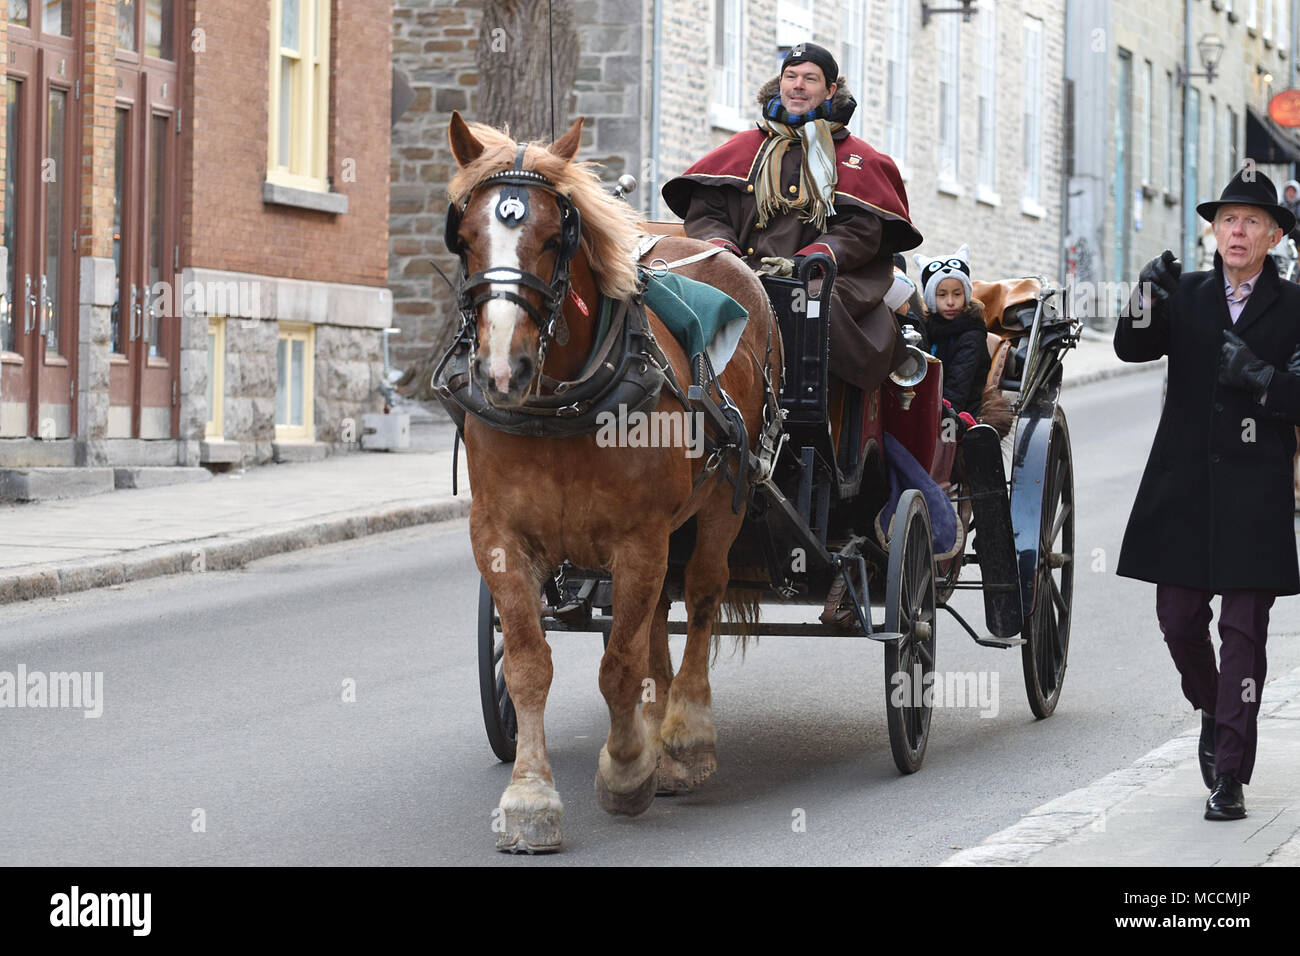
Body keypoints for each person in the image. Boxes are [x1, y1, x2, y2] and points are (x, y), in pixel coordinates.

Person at [1114, 168, 1300, 821]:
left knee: (1244, 632)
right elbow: (1130, 346)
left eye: (1252, 220)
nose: (1238, 230)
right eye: (1227, 220)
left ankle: (1230, 774)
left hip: (1257, 495)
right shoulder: (1187, 294)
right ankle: (1214, 706)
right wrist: (1143, 294)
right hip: (1185, 486)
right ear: (1214, 231)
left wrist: (1262, 380)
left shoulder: (1296, 305)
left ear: (1274, 235)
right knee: (1179, 622)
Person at [661, 42, 922, 395]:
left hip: (823, 275)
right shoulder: (743, 147)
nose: (798, 85)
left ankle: (809, 405)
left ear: (830, 89)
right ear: (780, 83)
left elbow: (861, 231)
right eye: (791, 76)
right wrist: (723, 254)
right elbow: (708, 213)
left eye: (810, 78)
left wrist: (803, 263)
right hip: (738, 266)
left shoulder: (858, 159)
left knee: (807, 306)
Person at [915, 244, 990, 424]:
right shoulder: (928, 328)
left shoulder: (972, 333)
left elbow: (958, 386)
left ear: (965, 295)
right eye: (942, 295)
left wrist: (941, 419)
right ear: (932, 298)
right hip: (933, 405)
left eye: (957, 294)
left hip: (961, 412)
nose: (950, 302)